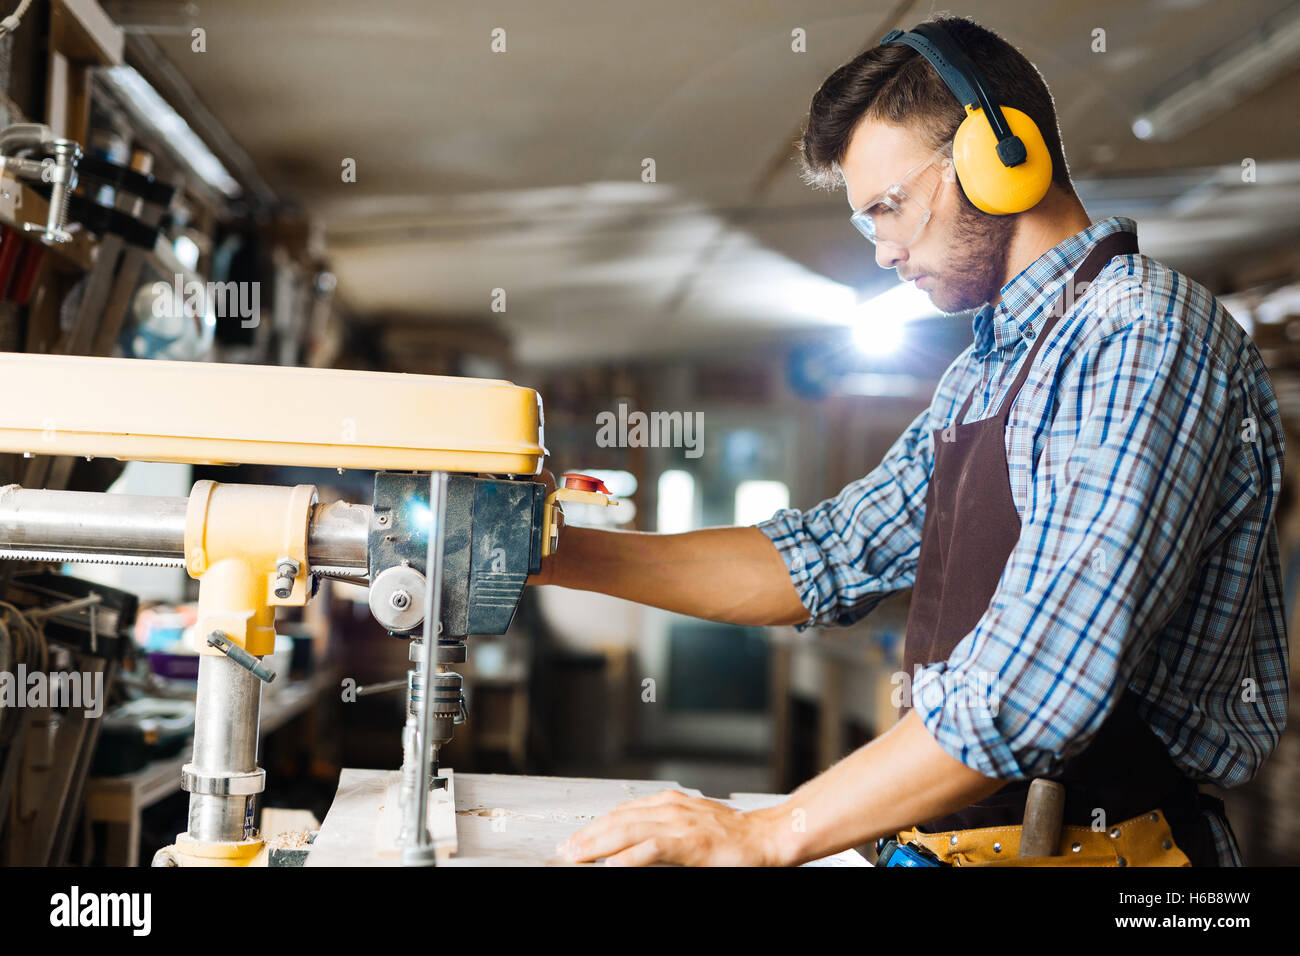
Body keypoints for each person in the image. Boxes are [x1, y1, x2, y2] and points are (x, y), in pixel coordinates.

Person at [535, 15, 1288, 866]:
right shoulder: (984, 372)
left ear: (1005, 159)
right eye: (868, 223)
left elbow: (1037, 682)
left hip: (1104, 855)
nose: (885, 251)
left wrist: (766, 832)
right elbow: (827, 555)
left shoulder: (1142, 334)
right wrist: (551, 553)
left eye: (892, 206)